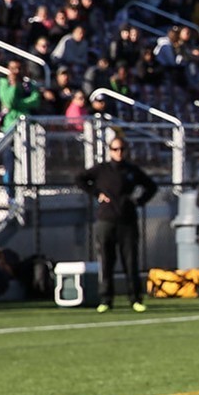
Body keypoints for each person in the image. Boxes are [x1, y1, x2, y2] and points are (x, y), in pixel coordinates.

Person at [77, 131, 159, 313]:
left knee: (131, 262)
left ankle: (135, 299)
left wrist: (138, 201)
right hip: (106, 220)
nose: (119, 152)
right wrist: (97, 194)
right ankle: (106, 299)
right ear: (110, 151)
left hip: (127, 222)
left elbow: (151, 187)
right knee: (106, 262)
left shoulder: (132, 170)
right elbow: (80, 179)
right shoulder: (102, 170)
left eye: (122, 149)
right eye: (115, 149)